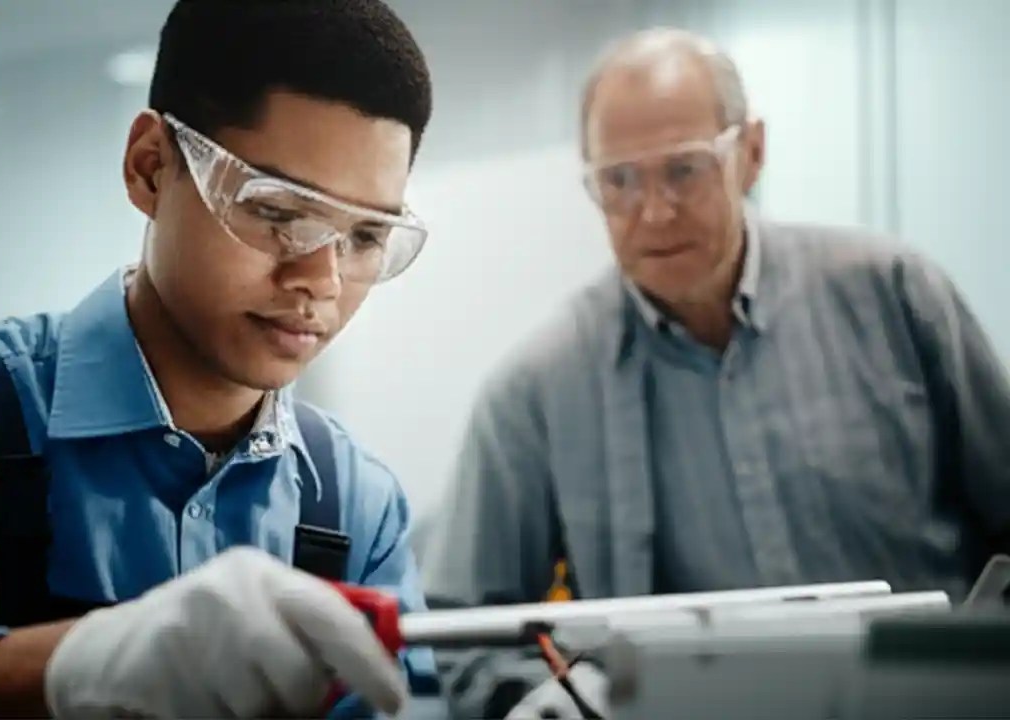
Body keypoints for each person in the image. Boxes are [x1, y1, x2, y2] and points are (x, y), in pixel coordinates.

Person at [0, 1, 437, 717]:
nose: (320, 279)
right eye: (277, 212)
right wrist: (68, 671)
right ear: (150, 168)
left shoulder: (355, 503)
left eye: (366, 236)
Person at [422, 27, 1010, 718]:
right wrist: (552, 704)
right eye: (620, 181)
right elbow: (462, 634)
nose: (655, 210)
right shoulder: (537, 391)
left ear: (750, 153)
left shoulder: (894, 296)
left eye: (684, 169)